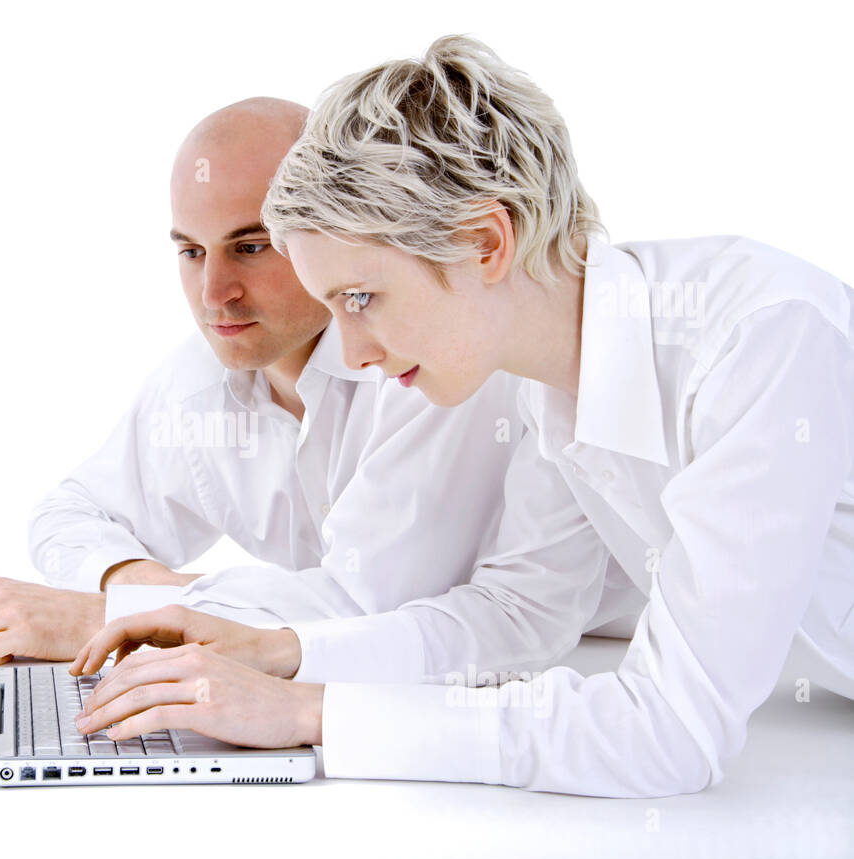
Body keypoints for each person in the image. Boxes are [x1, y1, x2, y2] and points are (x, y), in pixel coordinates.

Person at [70, 36, 854, 798]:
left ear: (485, 242)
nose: (354, 351)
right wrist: (281, 653)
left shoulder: (762, 340)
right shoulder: (549, 375)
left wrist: (311, 716)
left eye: (362, 299)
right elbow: (516, 613)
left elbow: (672, 734)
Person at [0, 96, 545, 668]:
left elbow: (374, 606)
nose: (215, 294)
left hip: (585, 667)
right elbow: (71, 511)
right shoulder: (205, 377)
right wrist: (134, 590)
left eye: (251, 246)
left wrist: (116, 618)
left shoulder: (422, 358)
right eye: (191, 252)